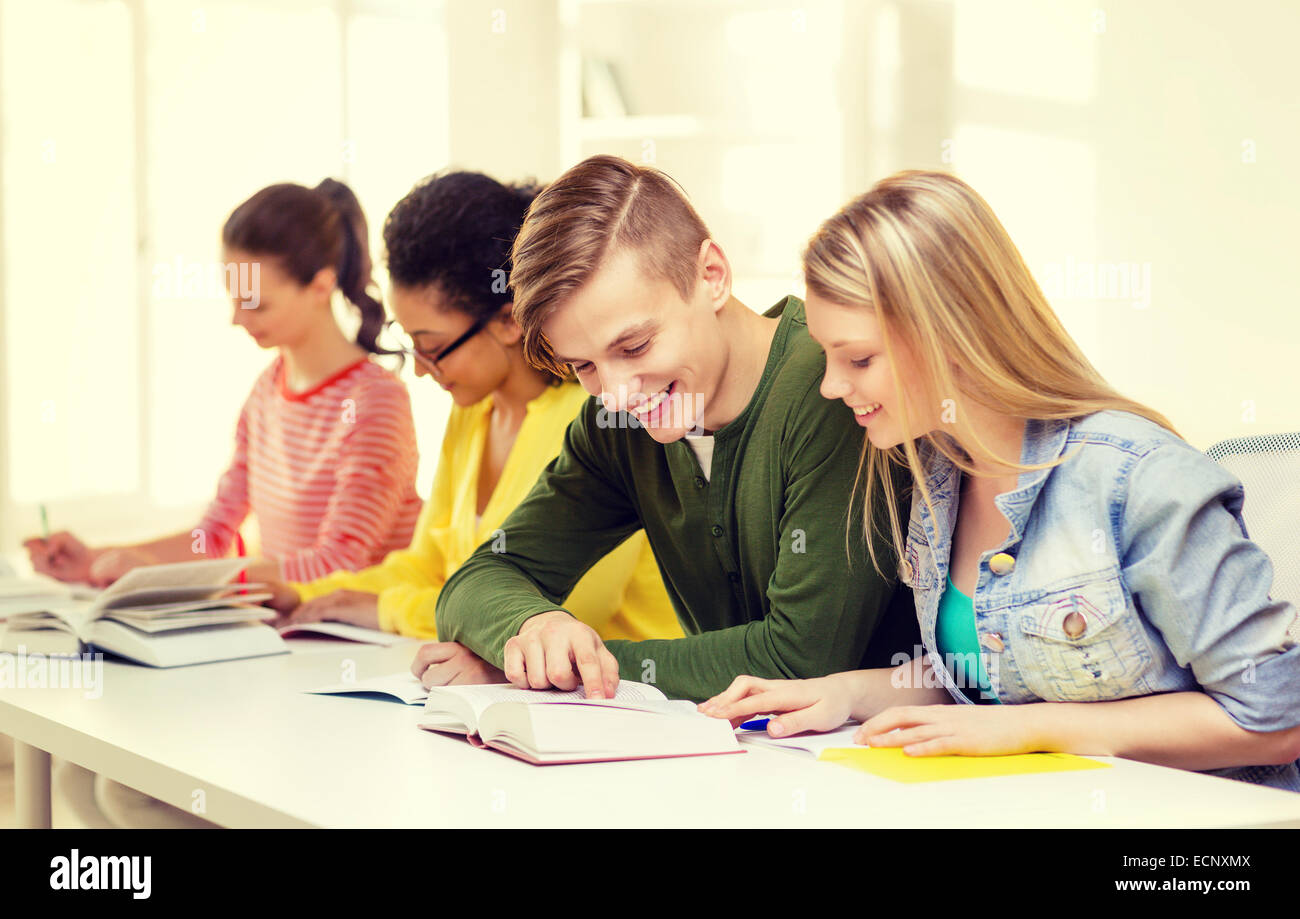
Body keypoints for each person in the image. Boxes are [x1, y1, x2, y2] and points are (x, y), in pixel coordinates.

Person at [700, 170, 1300, 791]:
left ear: (949, 337)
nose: (831, 385)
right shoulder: (936, 475)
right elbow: (993, 677)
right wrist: (841, 693)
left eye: (858, 359)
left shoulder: (1138, 476)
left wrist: (1029, 731)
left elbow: (1276, 719)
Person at [428, 154, 919, 703]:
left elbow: (800, 657)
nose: (616, 393)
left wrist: (574, 667)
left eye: (634, 345)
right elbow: (485, 574)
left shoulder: (834, 390)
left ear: (711, 276)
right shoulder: (618, 422)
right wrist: (535, 631)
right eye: (583, 366)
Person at [264, 171, 682, 675]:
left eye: (434, 347)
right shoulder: (474, 412)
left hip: (626, 703)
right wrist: (303, 594)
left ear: (509, 321)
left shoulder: (600, 419)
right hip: (517, 694)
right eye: (411, 343)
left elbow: (567, 608)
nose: (420, 368)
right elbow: (429, 564)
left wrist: (387, 610)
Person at [24, 180, 423, 587]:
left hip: (361, 639)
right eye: (234, 299)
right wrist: (96, 560)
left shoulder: (376, 401)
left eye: (255, 304)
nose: (237, 319)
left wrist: (162, 573)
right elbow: (214, 535)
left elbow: (337, 566)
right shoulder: (267, 391)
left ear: (320, 287)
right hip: (293, 633)